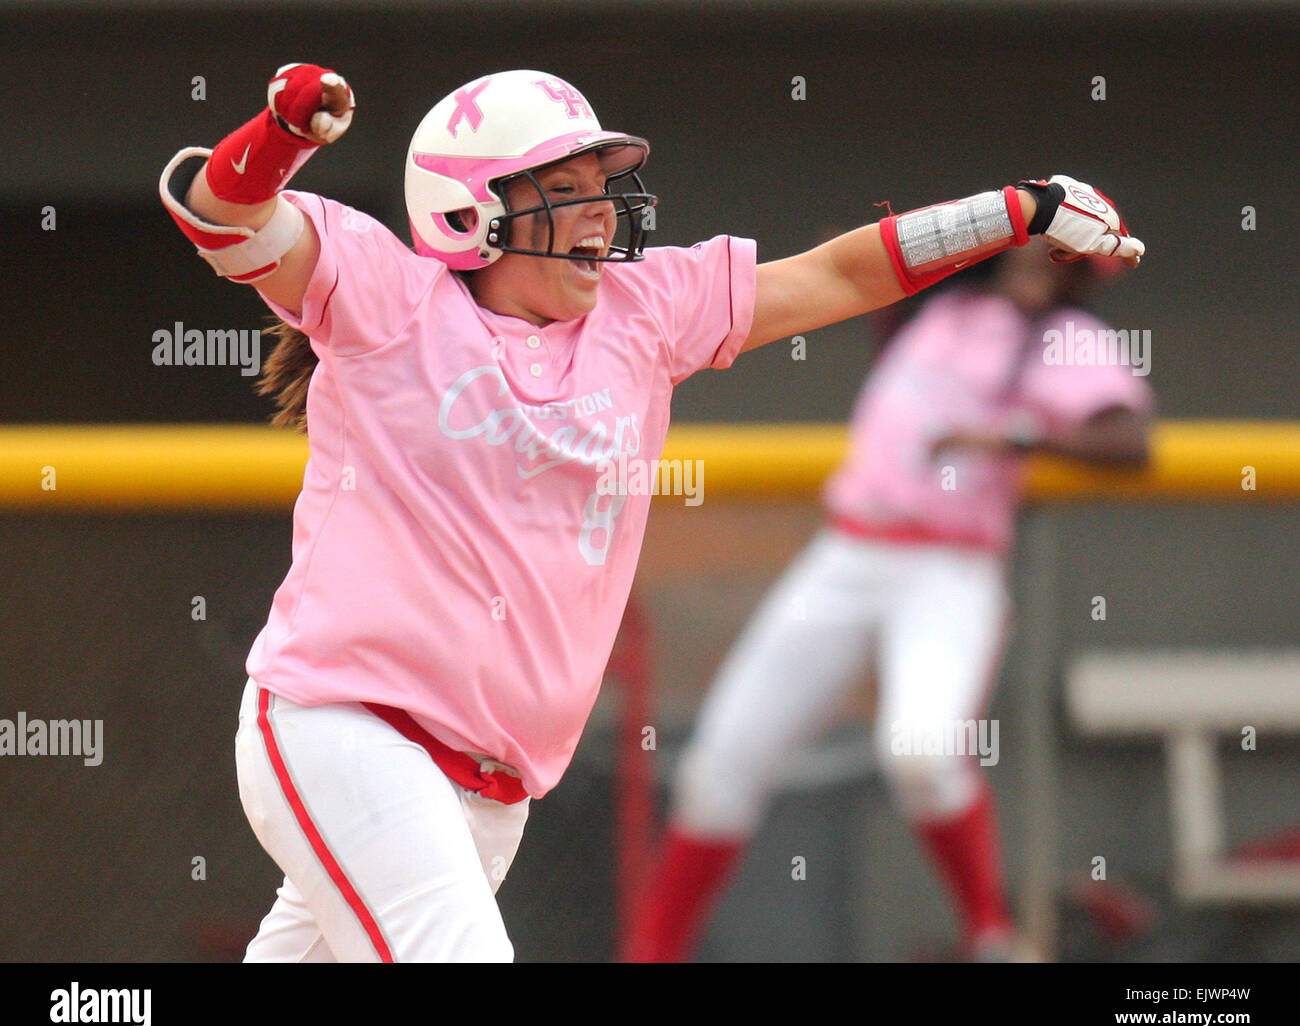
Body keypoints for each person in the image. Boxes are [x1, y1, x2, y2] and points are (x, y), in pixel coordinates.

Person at [158, 62, 1144, 962]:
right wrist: (282, 132)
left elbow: (839, 273)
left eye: (600, 186)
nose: (599, 212)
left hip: (492, 785)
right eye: (565, 188)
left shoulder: (641, 309)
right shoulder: (388, 295)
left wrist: (1012, 210)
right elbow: (224, 214)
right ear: (471, 208)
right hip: (348, 726)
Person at [623, 240, 1154, 963]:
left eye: (1064, 258)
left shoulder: (1066, 339)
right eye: (1036, 250)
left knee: (921, 755)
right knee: (718, 770)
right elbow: (902, 256)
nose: (1043, 266)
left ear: (1083, 276)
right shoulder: (943, 309)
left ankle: (990, 935)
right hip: (847, 553)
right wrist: (998, 227)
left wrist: (1015, 433)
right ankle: (650, 956)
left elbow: (1130, 442)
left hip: (947, 565)